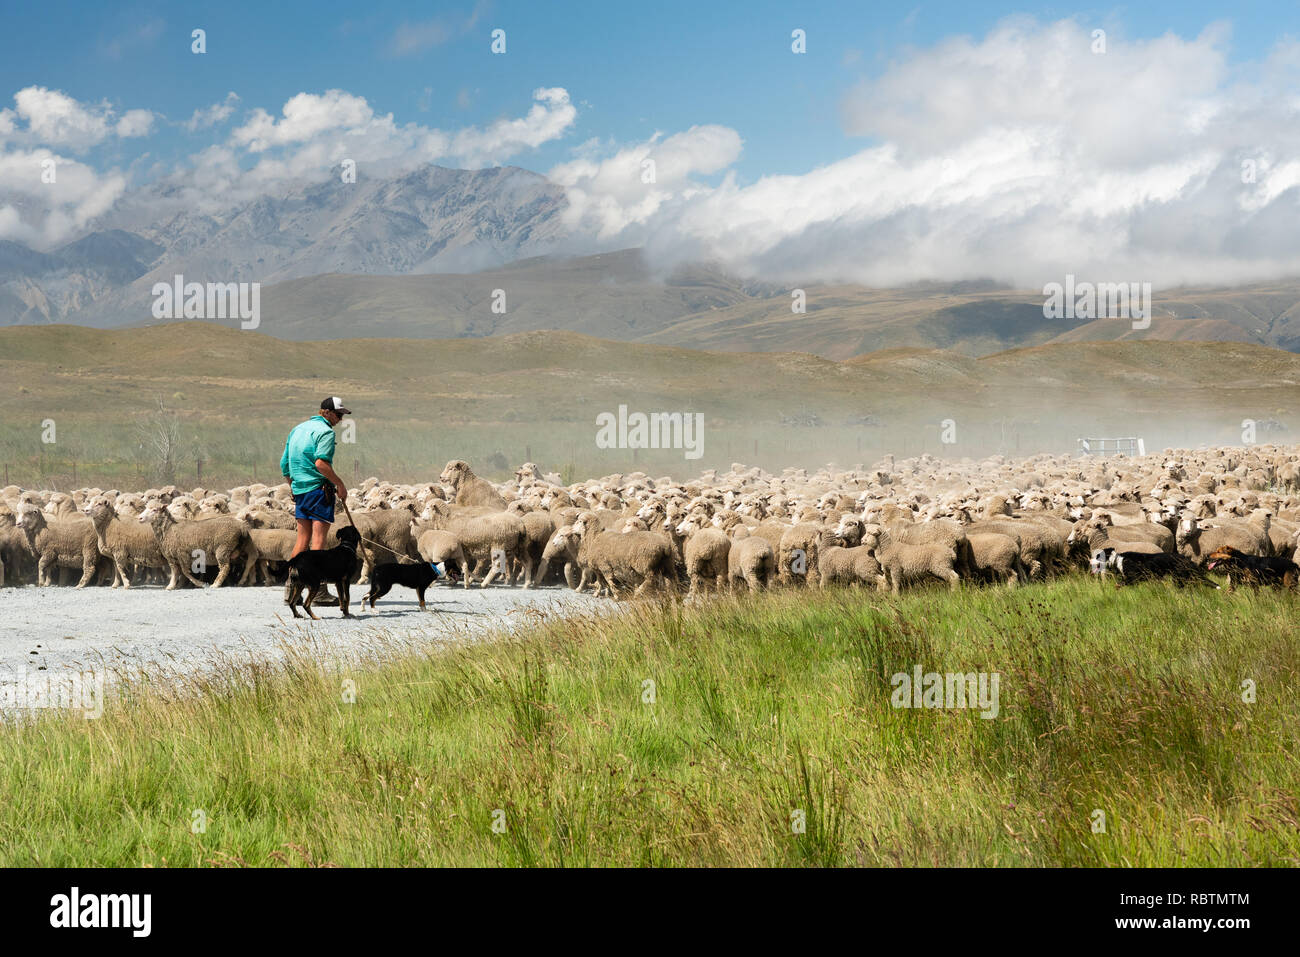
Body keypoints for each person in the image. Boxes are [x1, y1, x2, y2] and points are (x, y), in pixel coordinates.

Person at [280, 397, 351, 561]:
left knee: (302, 540)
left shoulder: (297, 429)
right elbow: (320, 464)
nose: (340, 420)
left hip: (300, 491)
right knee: (318, 541)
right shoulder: (326, 432)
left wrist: (293, 487)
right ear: (327, 412)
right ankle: (317, 585)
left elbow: (284, 464)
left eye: (342, 416)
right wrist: (340, 485)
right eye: (338, 415)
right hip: (319, 492)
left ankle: (292, 581)